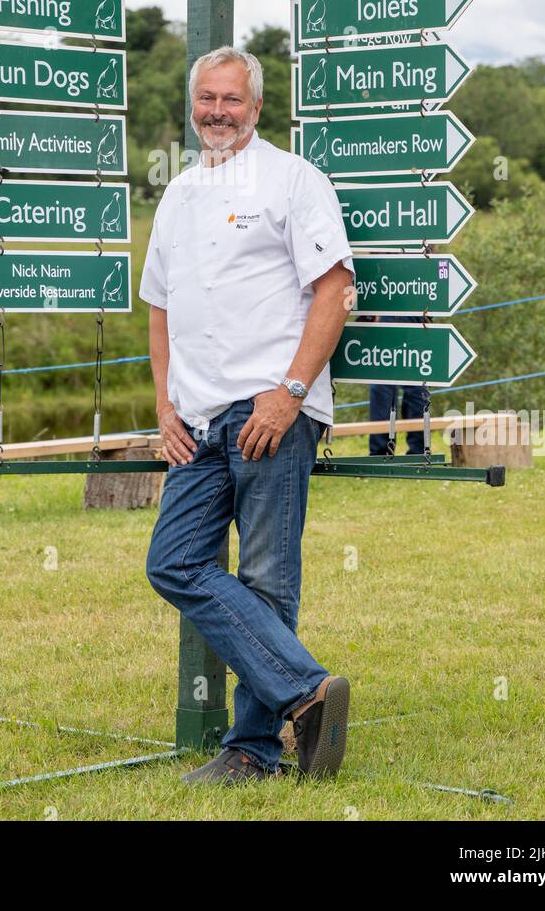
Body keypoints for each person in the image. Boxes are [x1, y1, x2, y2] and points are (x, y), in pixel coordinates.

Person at [139, 46, 357, 785]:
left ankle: (251, 750)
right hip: (197, 420)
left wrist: (289, 390)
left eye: (232, 100)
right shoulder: (177, 195)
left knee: (265, 576)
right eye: (207, 99)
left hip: (270, 408)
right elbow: (160, 310)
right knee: (173, 561)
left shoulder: (291, 180)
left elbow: (334, 291)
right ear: (191, 105)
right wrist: (163, 402)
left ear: (256, 108)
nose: (217, 112)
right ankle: (305, 692)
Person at [367, 314, 427, 455]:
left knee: (383, 380)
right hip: (418, 309)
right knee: (414, 378)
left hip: (390, 309)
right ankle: (418, 451)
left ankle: (381, 453)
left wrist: (372, 314)